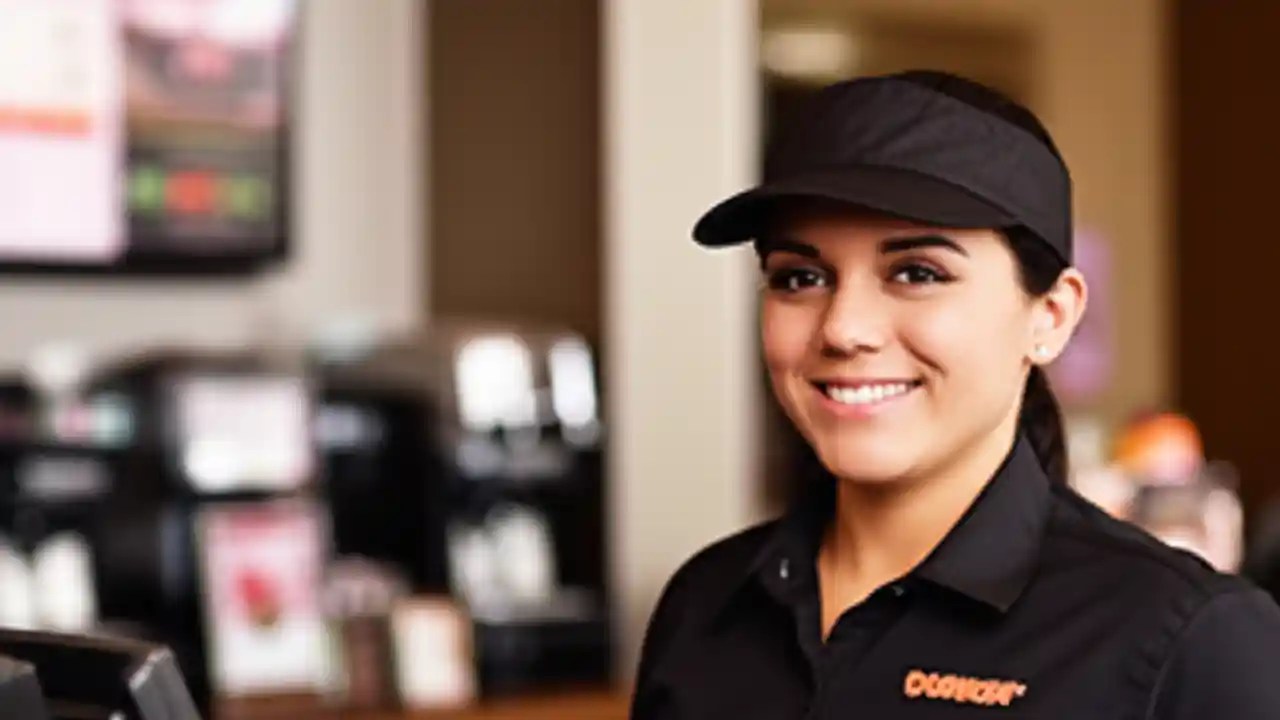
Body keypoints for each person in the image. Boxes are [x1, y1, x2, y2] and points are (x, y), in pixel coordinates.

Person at [629, 70, 1280, 719]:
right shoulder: (705, 604)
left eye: (916, 273)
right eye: (800, 278)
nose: (843, 328)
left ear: (1050, 315)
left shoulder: (1189, 642)